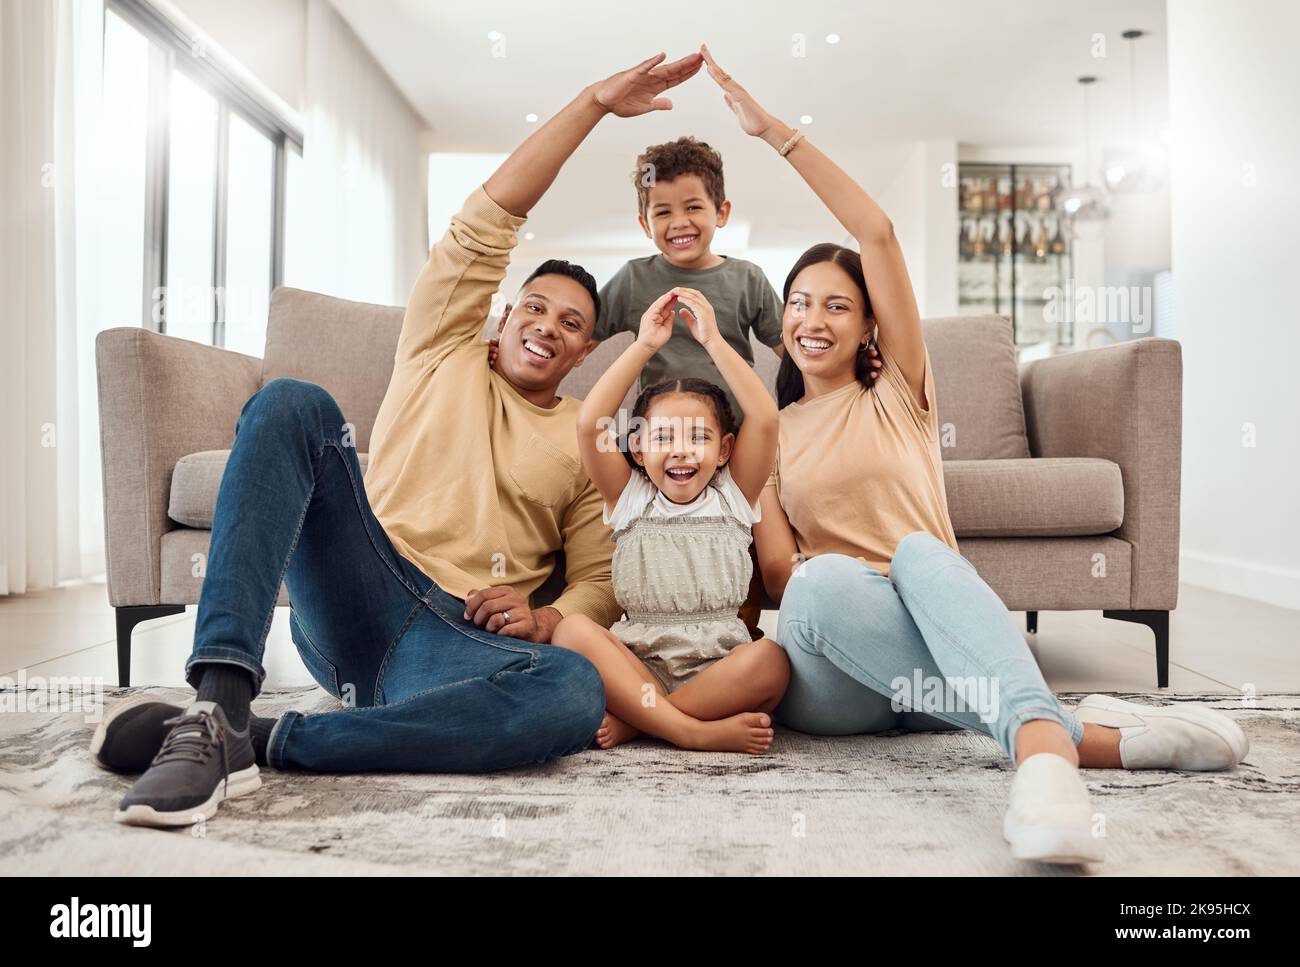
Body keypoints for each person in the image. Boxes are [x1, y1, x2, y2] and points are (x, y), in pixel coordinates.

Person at [97, 52, 707, 829]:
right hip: (360, 590)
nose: (548, 327)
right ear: (504, 316)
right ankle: (216, 700)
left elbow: (599, 580)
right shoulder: (441, 346)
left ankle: (267, 739)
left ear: (587, 352)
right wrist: (592, 103)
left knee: (570, 690)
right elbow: (487, 219)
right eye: (535, 309)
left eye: (571, 324)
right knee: (291, 402)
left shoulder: (586, 439)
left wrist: (545, 618)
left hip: (451, 641)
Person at [698, 43, 1249, 866]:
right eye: (801, 303)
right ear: (784, 323)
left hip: (937, 642)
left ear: (870, 326)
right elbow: (782, 582)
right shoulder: (772, 438)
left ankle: (1054, 752)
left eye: (838, 305)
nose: (814, 318)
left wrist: (774, 132)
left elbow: (875, 231)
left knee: (923, 553)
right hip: (837, 666)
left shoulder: (901, 394)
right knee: (820, 581)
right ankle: (1077, 732)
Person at [551, 287, 788, 754]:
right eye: (663, 437)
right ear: (637, 450)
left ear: (724, 451)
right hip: (638, 665)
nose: (681, 449)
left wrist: (714, 341)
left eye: (698, 437)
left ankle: (645, 722)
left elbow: (764, 417)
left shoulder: (733, 494)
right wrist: (643, 345)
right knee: (571, 632)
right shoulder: (629, 496)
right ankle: (692, 731)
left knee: (772, 661)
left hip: (718, 668)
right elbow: (589, 422)